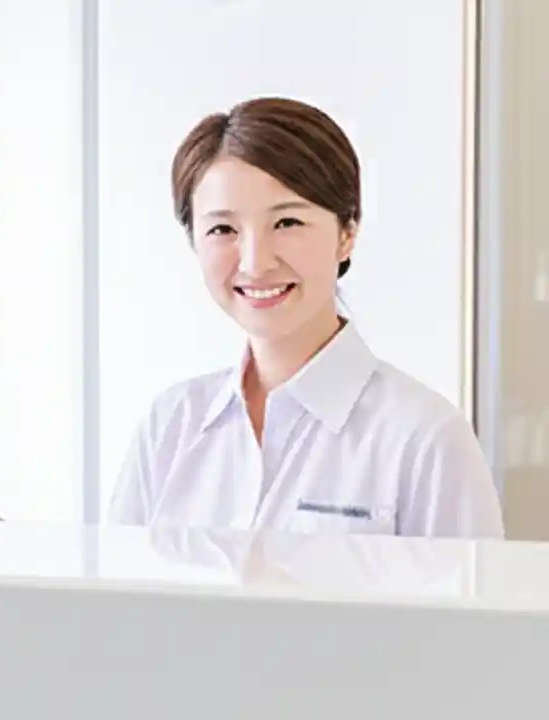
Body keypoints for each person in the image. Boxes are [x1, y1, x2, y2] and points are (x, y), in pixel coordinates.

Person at [107, 97, 503, 538]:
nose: (255, 263)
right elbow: (113, 604)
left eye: (287, 222)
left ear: (347, 232)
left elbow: (469, 606)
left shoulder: (424, 439)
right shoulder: (170, 427)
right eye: (223, 229)